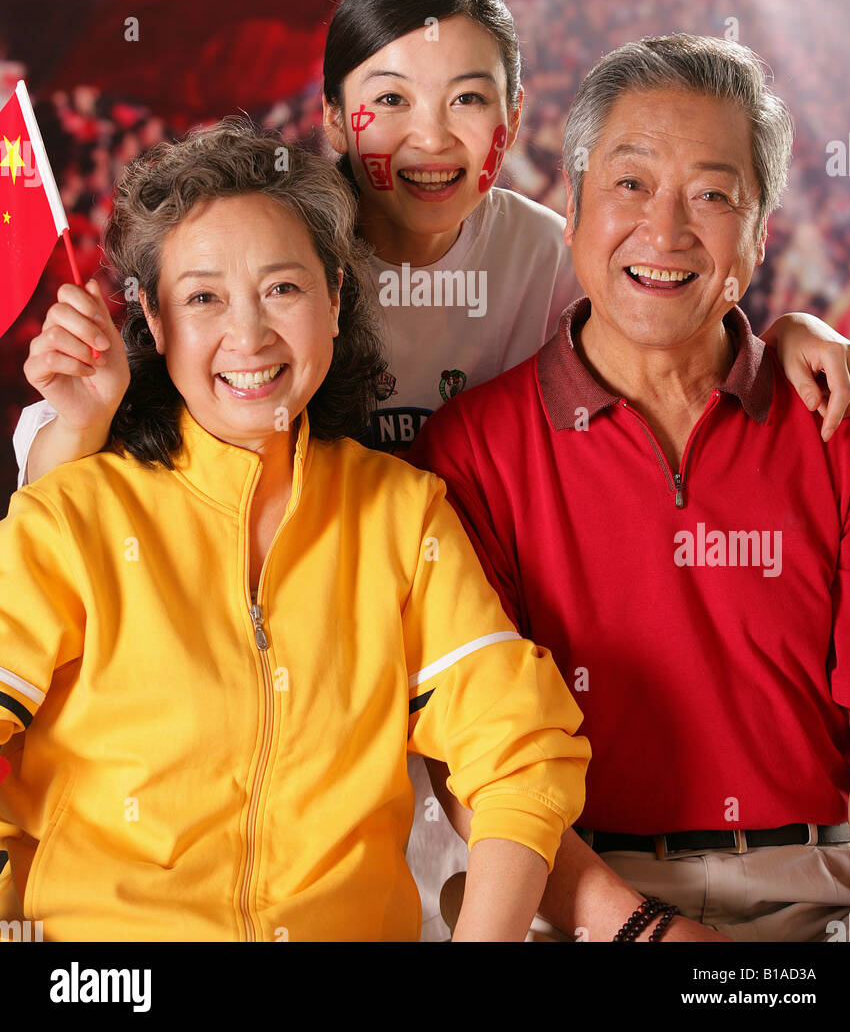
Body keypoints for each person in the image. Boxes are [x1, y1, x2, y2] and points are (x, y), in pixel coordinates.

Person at [10, 0, 850, 938]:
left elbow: (668, 295)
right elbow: (53, 518)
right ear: (333, 119)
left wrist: (790, 333)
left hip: (456, 818)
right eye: (388, 99)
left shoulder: (548, 263)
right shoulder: (253, 236)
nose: (429, 136)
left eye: (468, 98)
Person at [0, 117, 594, 943]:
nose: (248, 337)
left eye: (283, 288)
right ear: (155, 321)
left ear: (337, 298)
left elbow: (520, 754)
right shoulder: (72, 511)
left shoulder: (402, 512)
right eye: (203, 297)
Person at [409, 34, 850, 942]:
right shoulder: (471, 450)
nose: (666, 232)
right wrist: (641, 930)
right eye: (630, 184)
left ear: (761, 231)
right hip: (580, 896)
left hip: (817, 895)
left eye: (712, 194)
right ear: (569, 208)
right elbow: (480, 764)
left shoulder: (836, 430)